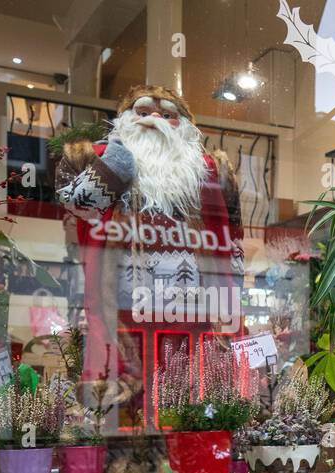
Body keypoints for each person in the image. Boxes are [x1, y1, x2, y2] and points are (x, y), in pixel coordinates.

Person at [55, 85, 243, 417]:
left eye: (167, 115)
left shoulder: (209, 170)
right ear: (127, 119)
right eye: (143, 113)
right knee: (123, 406)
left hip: (189, 316)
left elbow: (231, 241)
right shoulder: (96, 157)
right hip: (123, 313)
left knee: (186, 401)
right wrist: (114, 167)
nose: (154, 119)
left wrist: (231, 305)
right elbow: (75, 205)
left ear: (184, 126)